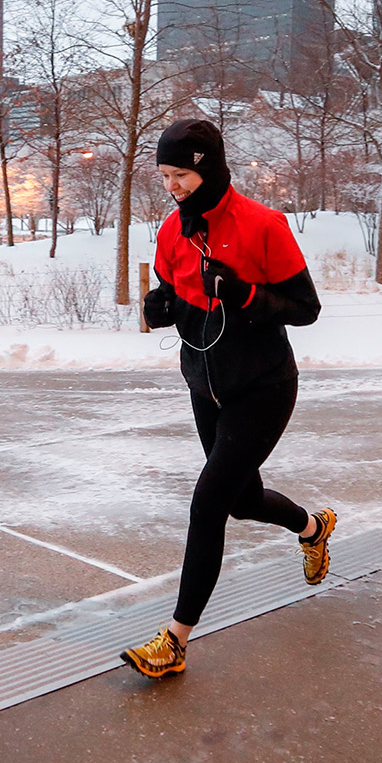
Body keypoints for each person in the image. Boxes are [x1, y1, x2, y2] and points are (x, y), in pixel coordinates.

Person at [122, 118, 333, 680]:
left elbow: (305, 308)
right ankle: (313, 528)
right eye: (165, 176)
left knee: (209, 501)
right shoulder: (172, 230)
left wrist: (243, 294)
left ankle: (175, 641)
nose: (173, 186)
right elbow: (172, 289)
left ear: (207, 167)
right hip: (205, 386)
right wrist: (159, 305)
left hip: (263, 386)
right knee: (242, 500)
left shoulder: (263, 225)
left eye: (182, 175)